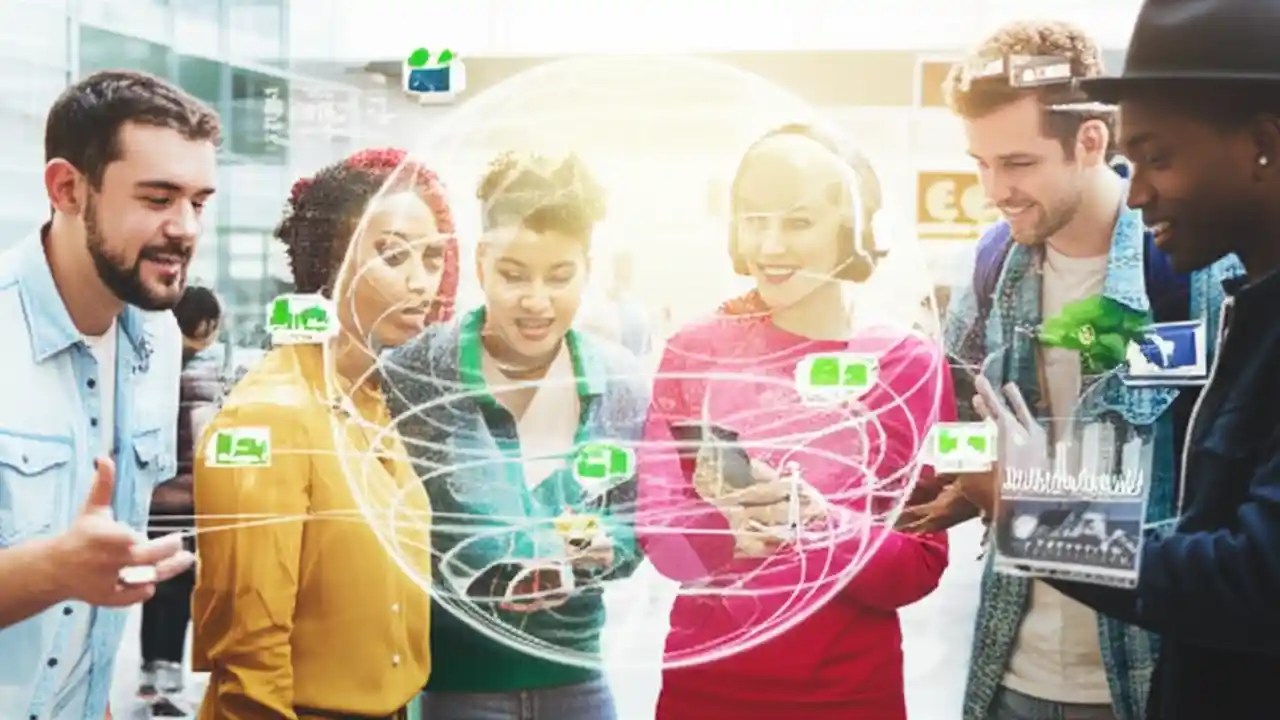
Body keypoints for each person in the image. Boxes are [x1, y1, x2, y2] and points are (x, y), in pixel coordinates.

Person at [895, 21, 1244, 720]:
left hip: (1146, 671)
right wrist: (962, 488)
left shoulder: (1195, 277)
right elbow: (963, 406)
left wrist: (1016, 504)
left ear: (1091, 142)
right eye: (981, 163)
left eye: (1018, 163)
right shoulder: (993, 266)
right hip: (1013, 665)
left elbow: (1230, 518)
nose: (995, 189)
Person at [635, 123, 954, 720]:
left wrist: (818, 521)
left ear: (850, 232)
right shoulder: (695, 351)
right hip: (704, 691)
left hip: (849, 697)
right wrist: (719, 532)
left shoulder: (906, 366)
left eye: (799, 222)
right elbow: (660, 539)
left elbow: (920, 565)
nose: (771, 245)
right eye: (755, 219)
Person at [191, 148, 459, 719]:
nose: (422, 281)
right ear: (330, 265)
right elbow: (249, 656)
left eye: (432, 257)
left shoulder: (371, 401)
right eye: (392, 255)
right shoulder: (271, 415)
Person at [383, 150, 648, 720]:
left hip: (578, 682)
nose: (536, 301)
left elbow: (637, 523)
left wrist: (604, 550)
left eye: (559, 277)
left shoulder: (621, 381)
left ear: (587, 268)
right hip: (454, 686)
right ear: (481, 265)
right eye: (512, 275)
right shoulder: (416, 373)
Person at [0, 69, 215, 720]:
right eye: (157, 199)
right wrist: (52, 572)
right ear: (67, 188)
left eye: (199, 202)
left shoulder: (158, 341)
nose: (185, 228)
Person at [139, 284, 225, 715]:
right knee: (178, 585)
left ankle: (151, 672)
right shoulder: (200, 375)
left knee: (154, 586)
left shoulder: (151, 365)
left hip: (151, 498)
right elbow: (208, 440)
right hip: (188, 500)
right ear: (204, 325)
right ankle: (168, 679)